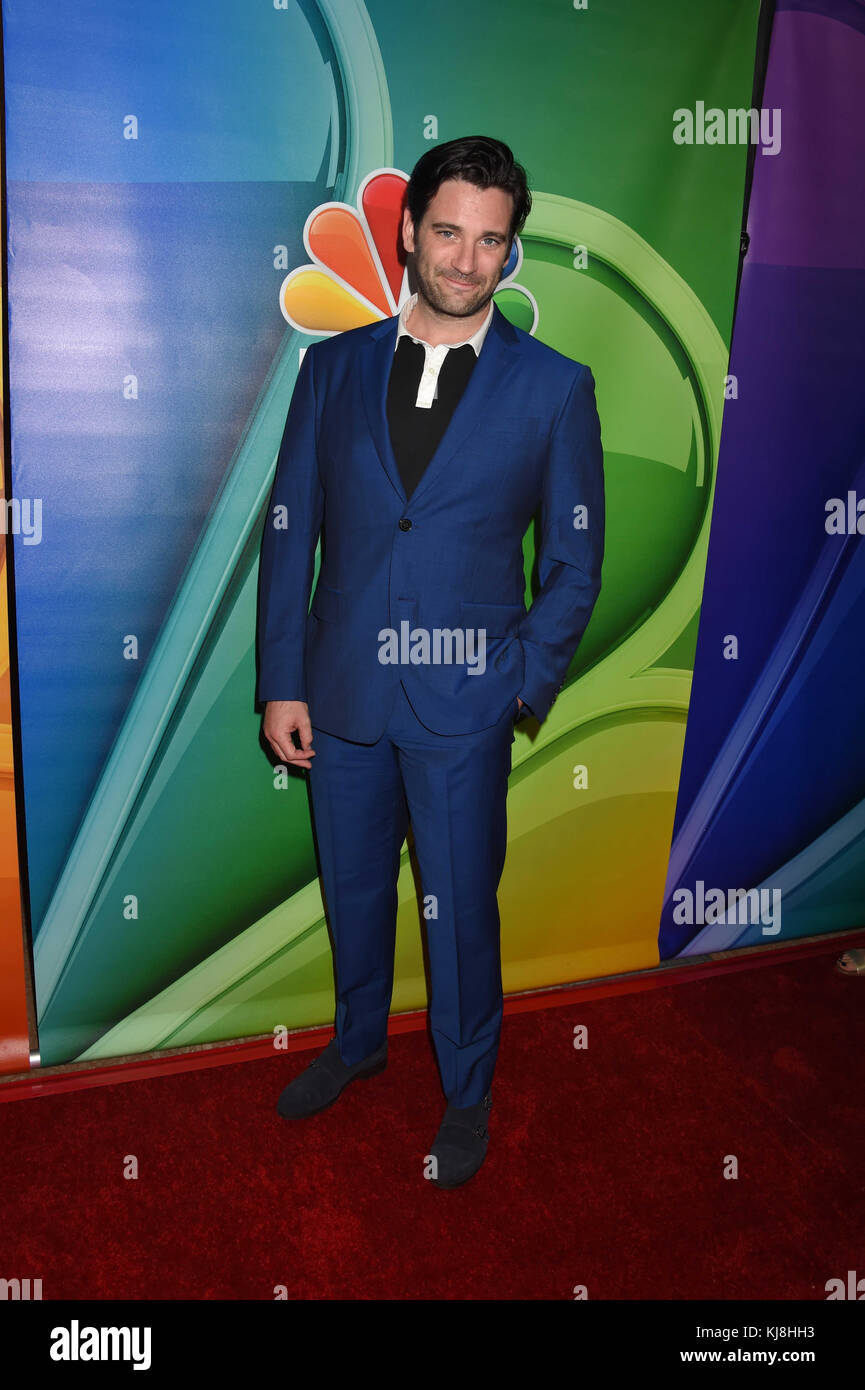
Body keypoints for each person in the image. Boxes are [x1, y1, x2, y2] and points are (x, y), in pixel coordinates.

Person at [257, 135, 605, 1188]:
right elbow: (290, 529)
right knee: (352, 887)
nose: (464, 258)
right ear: (408, 232)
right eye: (447, 231)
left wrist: (519, 685)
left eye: (489, 239)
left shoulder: (554, 388)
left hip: (464, 704)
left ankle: (466, 1092)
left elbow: (577, 562)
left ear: (510, 252)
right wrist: (283, 677)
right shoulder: (331, 366)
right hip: (344, 692)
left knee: (458, 909)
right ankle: (359, 1042)